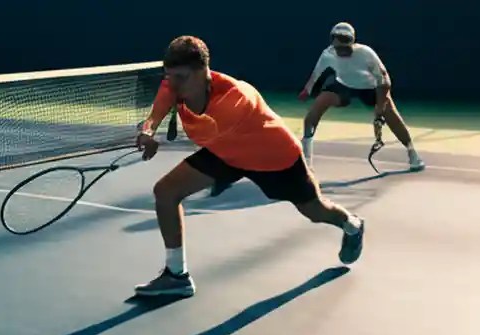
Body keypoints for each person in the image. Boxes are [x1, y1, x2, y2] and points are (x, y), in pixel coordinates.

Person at [134, 36, 367, 298]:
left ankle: (352, 224)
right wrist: (147, 131)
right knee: (166, 191)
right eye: (169, 76)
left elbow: (208, 131)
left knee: (315, 210)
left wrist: (218, 177)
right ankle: (177, 275)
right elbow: (156, 113)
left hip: (272, 156)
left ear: (203, 72)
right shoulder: (175, 85)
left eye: (181, 77)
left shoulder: (234, 99)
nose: (173, 84)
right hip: (226, 152)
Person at [298, 22, 424, 171]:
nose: (342, 51)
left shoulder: (366, 53)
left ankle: (412, 153)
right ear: (333, 43)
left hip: (370, 87)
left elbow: (384, 79)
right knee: (312, 114)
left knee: (390, 113)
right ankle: (307, 161)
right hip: (343, 85)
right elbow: (316, 74)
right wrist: (307, 90)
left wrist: (380, 107)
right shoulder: (327, 54)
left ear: (352, 42)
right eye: (339, 47)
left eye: (345, 47)